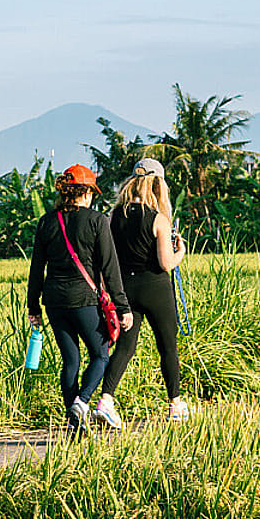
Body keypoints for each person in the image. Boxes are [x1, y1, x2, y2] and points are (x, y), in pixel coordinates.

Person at [27, 164, 132, 433]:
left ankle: (74, 425)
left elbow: (36, 267)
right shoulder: (96, 220)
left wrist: (33, 306)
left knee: (70, 360)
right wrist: (122, 306)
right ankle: (82, 402)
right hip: (84, 299)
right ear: (85, 192)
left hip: (54, 301)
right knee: (100, 354)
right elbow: (110, 267)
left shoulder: (47, 221)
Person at [100, 159, 189, 425]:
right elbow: (166, 263)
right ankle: (175, 403)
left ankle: (106, 400)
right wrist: (180, 252)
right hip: (156, 289)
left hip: (124, 289)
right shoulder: (159, 219)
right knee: (167, 347)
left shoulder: (113, 217)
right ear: (157, 184)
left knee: (125, 348)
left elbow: (107, 260)